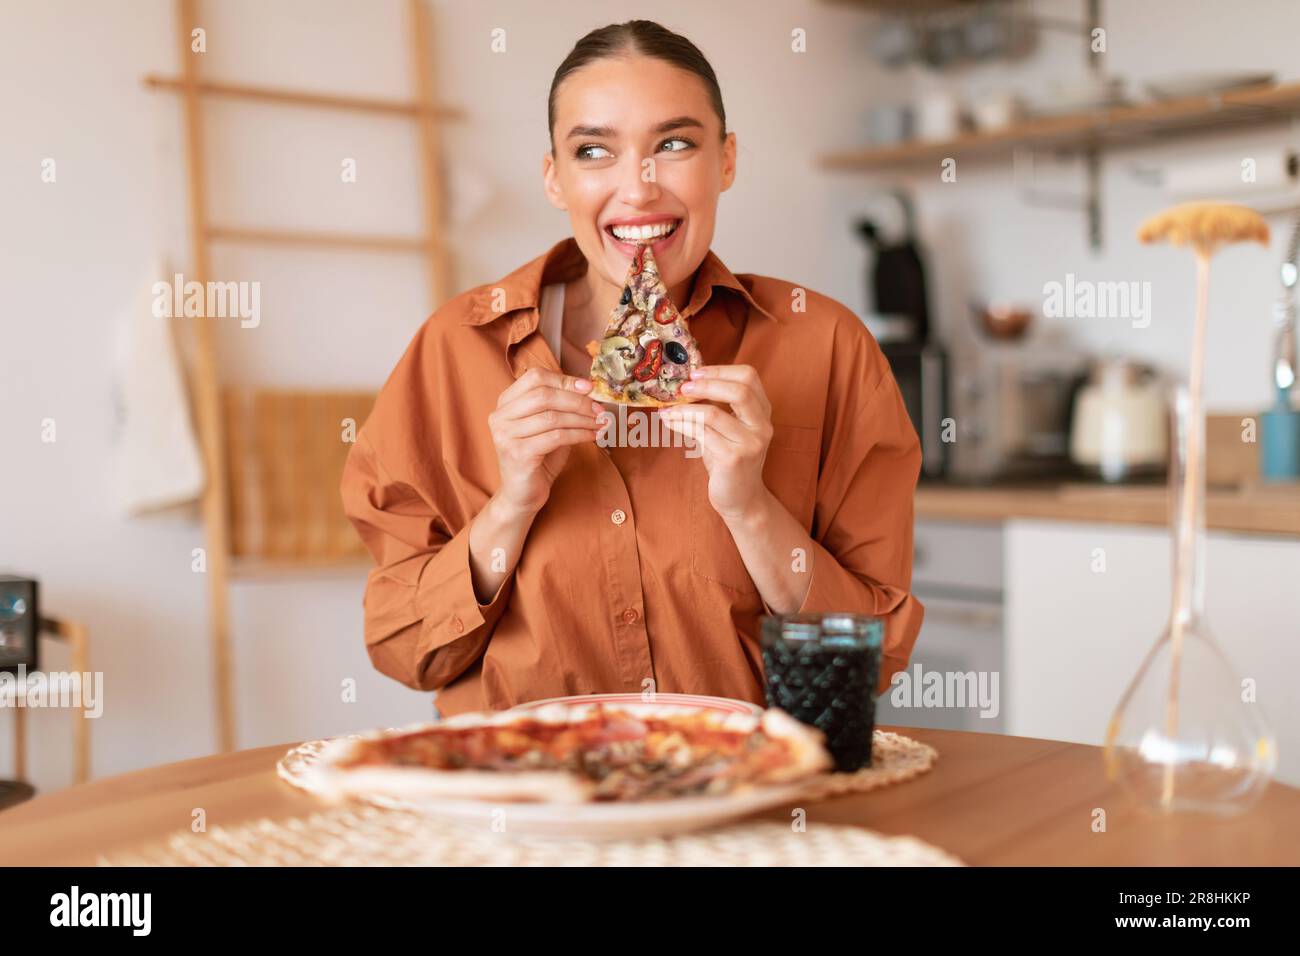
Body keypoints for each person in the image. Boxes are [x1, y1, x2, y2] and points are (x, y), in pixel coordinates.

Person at [340, 19, 924, 718]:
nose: (639, 188)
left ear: (726, 161)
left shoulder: (827, 347)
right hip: (526, 802)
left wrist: (750, 508)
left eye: (674, 144)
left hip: (750, 800)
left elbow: (871, 661)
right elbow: (405, 651)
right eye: (595, 151)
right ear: (554, 177)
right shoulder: (453, 349)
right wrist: (512, 506)